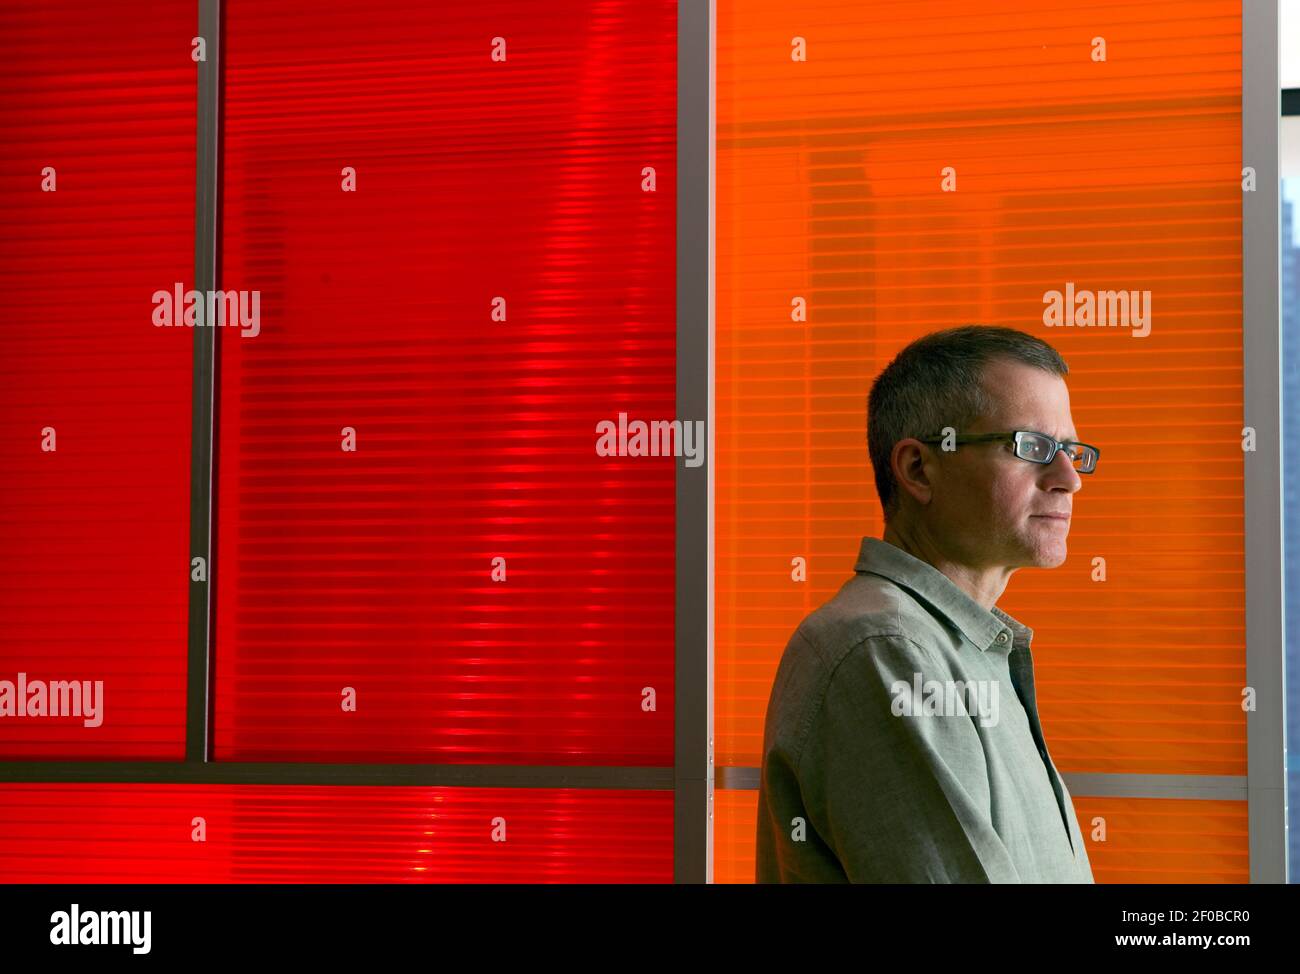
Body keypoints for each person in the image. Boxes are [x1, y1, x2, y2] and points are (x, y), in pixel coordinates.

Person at [755, 325, 1098, 883]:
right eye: (1031, 448)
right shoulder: (885, 652)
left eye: (1070, 452)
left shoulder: (961, 645)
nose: (1068, 480)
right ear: (918, 468)